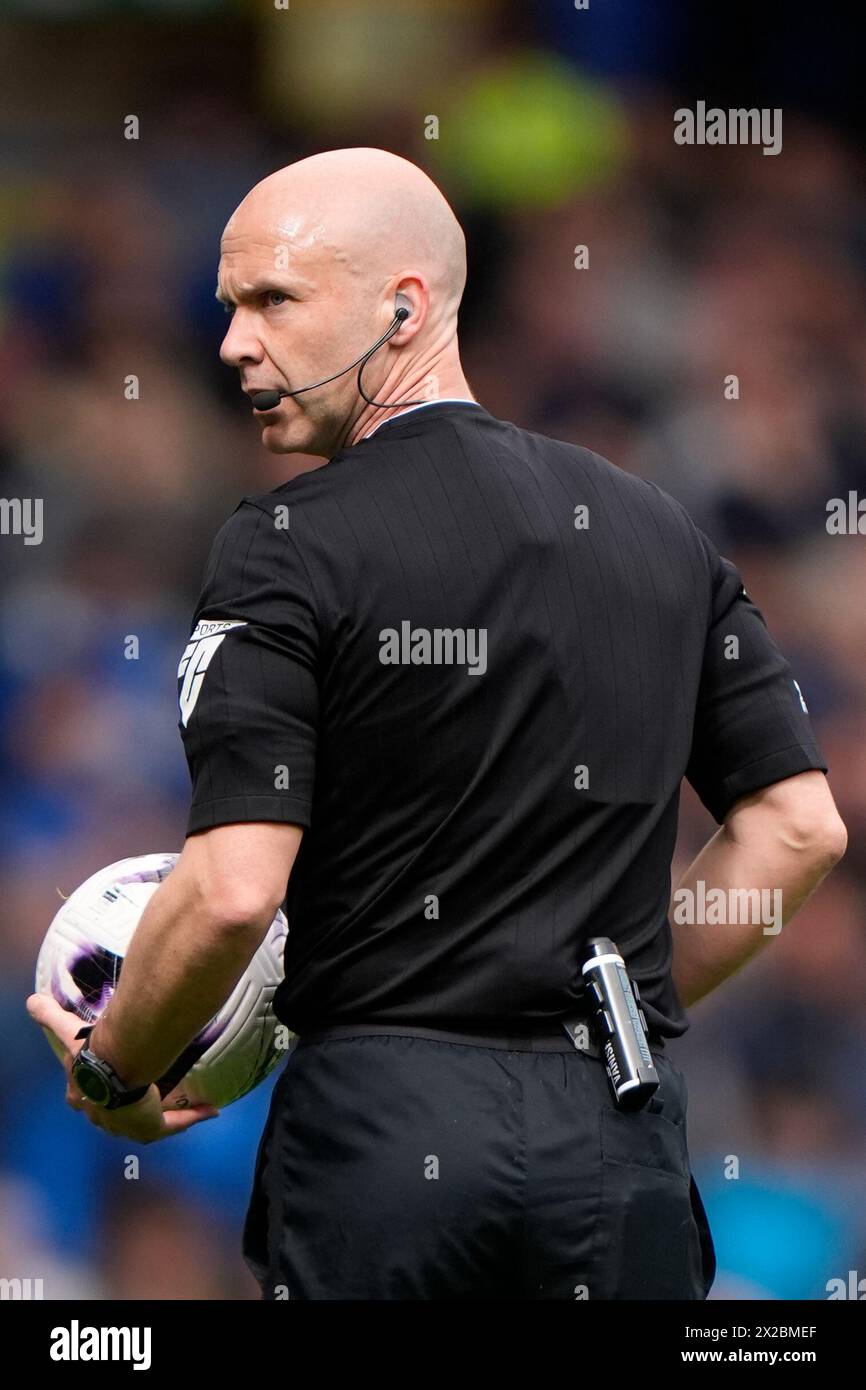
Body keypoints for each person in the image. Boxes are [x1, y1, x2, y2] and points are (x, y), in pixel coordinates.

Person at [28, 147, 847, 1300]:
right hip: (617, 1139)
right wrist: (622, 1005)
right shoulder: (656, 529)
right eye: (227, 307)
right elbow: (798, 831)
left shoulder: (283, 545)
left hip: (384, 1140)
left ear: (402, 307)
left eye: (272, 300)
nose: (231, 345)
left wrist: (116, 1070)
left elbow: (228, 889)